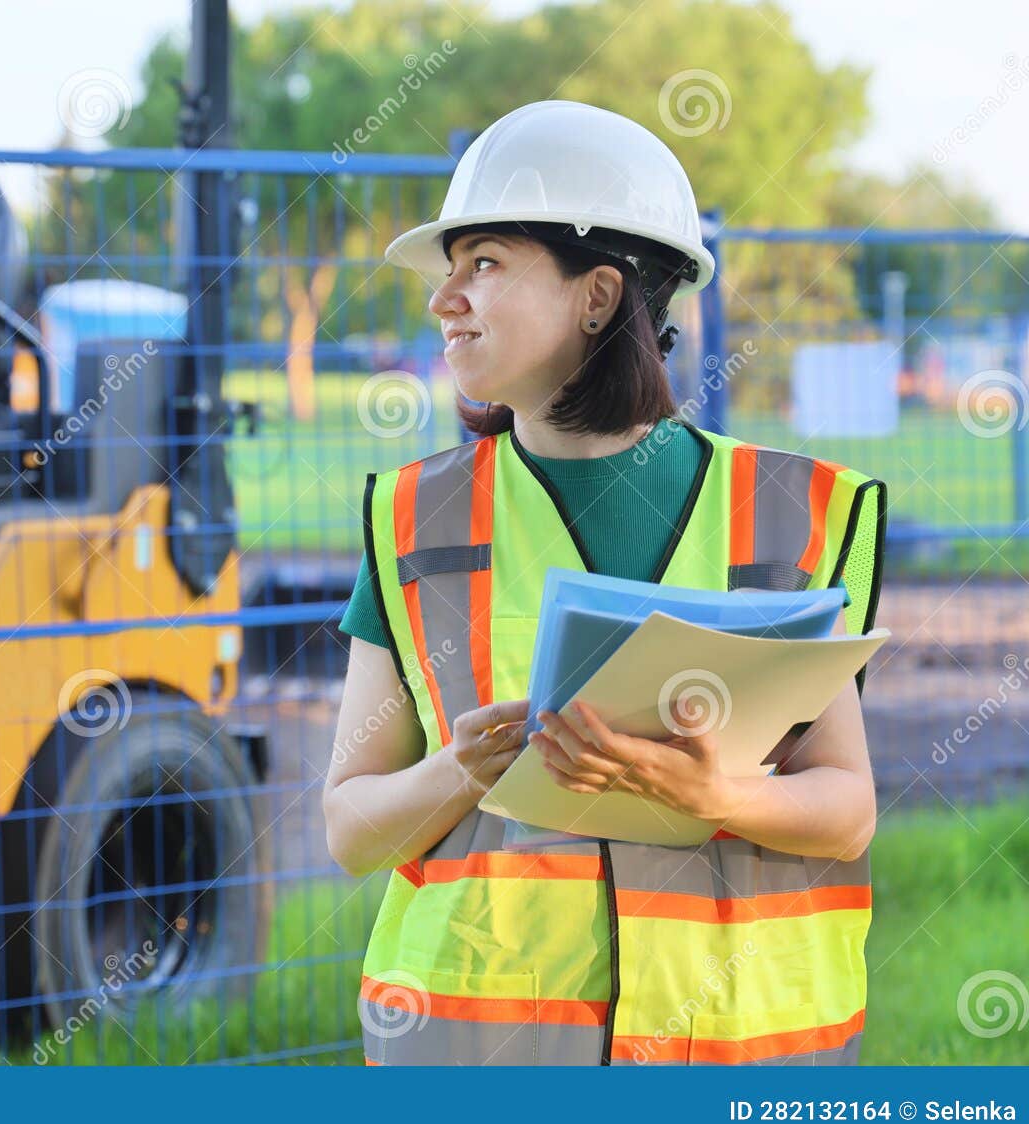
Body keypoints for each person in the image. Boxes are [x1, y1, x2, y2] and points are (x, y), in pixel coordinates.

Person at [322, 100, 887, 1066]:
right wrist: (459, 770)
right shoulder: (410, 521)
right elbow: (350, 827)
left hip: (741, 1057)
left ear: (598, 296)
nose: (443, 298)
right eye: (448, 271)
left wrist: (725, 794)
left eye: (484, 264)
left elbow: (847, 810)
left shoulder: (793, 510)